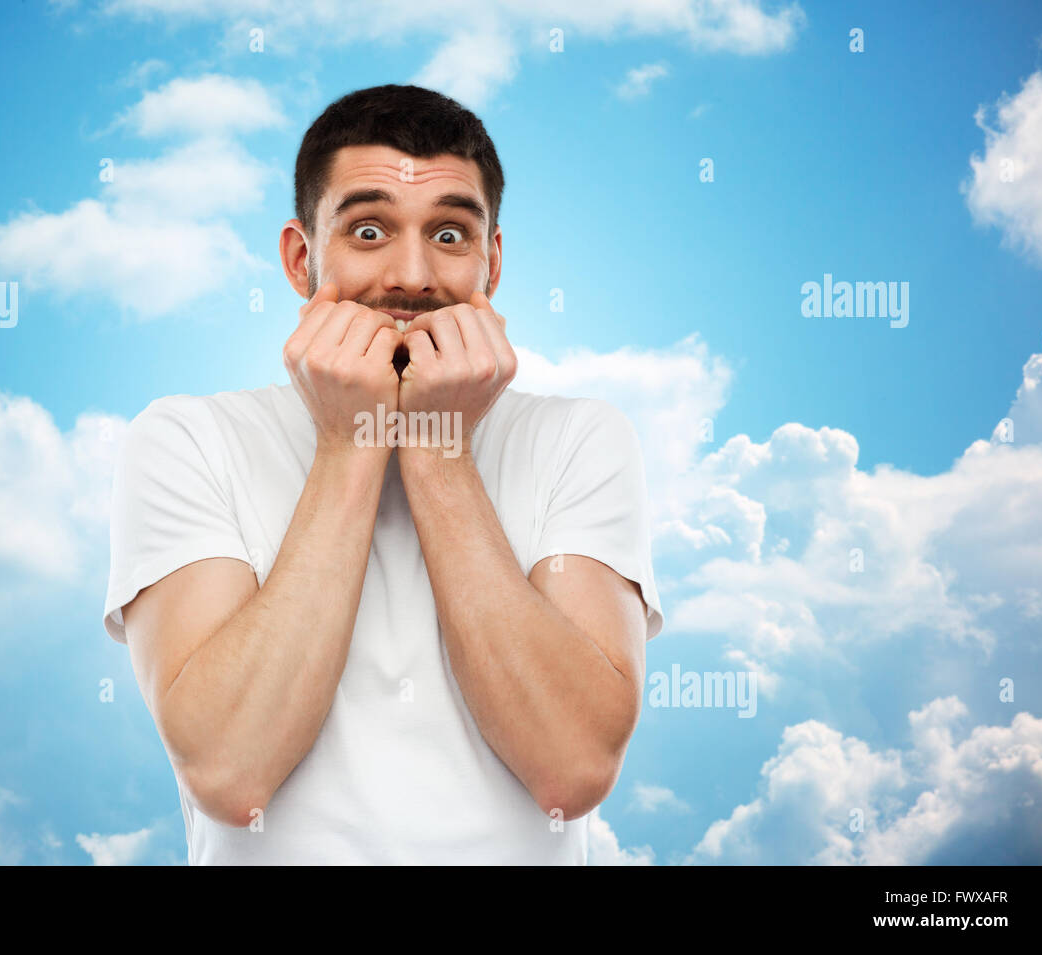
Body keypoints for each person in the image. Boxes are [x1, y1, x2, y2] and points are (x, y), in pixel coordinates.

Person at [102, 84, 664, 864]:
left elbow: (572, 769)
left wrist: (436, 447)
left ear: (491, 264)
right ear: (303, 259)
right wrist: (351, 440)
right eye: (369, 230)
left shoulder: (580, 438)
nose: (411, 274)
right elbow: (230, 772)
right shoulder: (187, 439)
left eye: (450, 235)